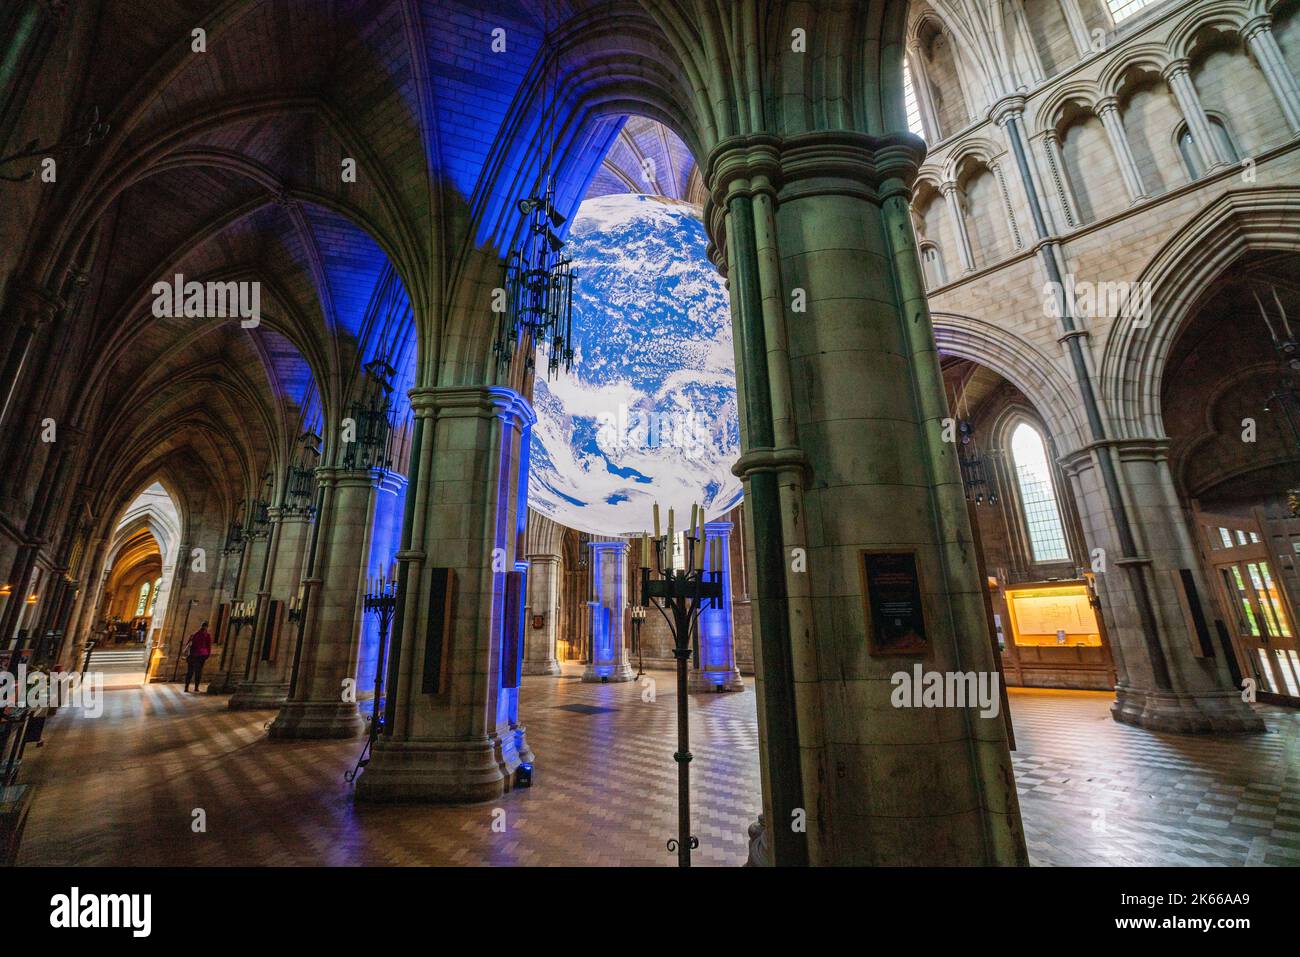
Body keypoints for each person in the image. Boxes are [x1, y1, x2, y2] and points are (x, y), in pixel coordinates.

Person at [182, 621, 212, 693]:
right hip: (200, 656)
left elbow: (187, 644)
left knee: (190, 672)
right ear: (206, 627)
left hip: (192, 655)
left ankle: (187, 687)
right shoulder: (206, 635)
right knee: (197, 672)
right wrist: (207, 655)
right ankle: (196, 687)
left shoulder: (194, 634)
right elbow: (208, 646)